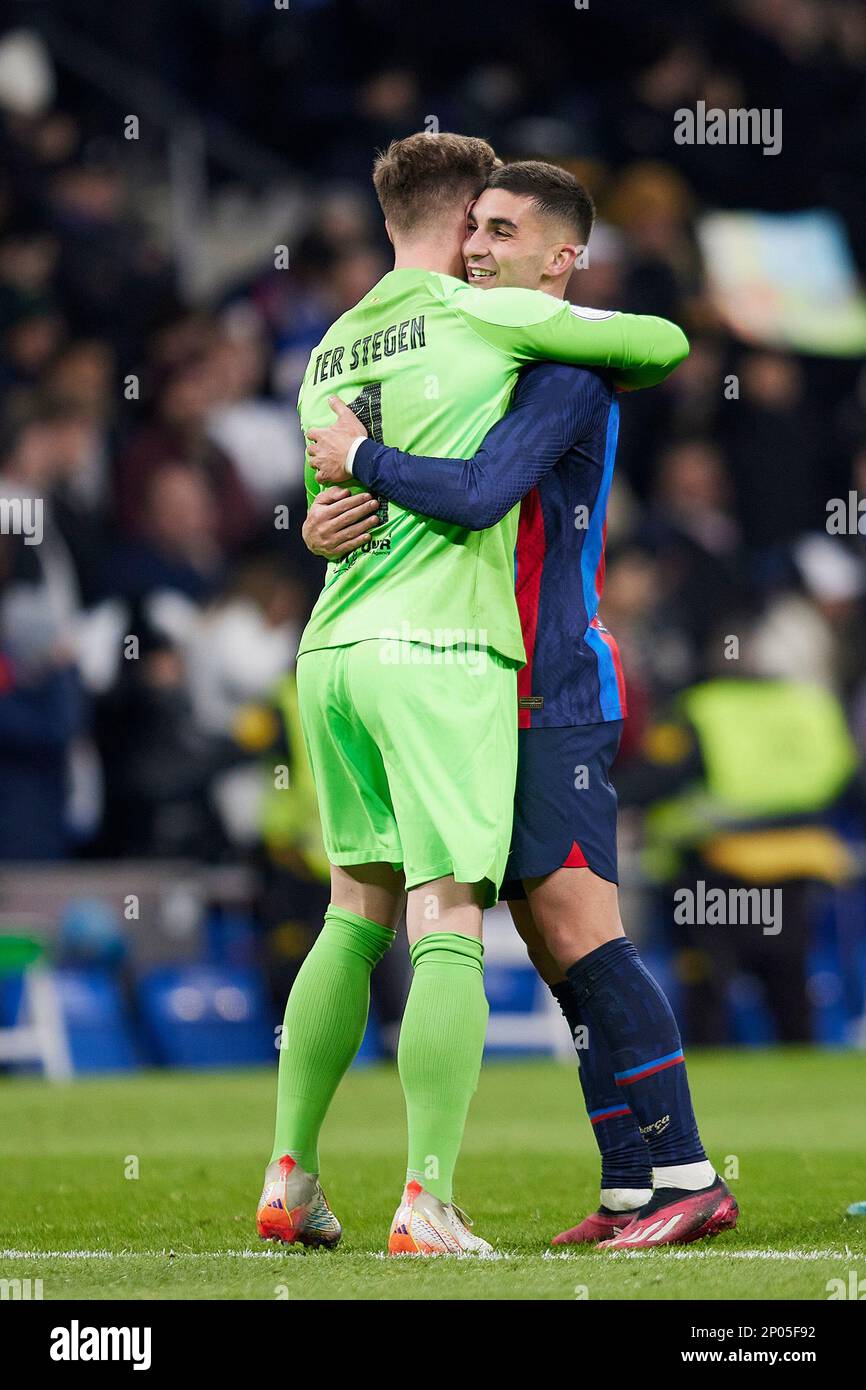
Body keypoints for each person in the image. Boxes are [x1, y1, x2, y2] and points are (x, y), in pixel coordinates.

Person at [256, 132, 689, 1256]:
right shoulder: (480, 316)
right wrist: (574, 308)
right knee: (451, 915)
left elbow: (333, 505)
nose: (488, 248)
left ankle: (290, 1171)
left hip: (331, 651)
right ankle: (428, 1196)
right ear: (459, 229)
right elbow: (663, 338)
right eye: (483, 228)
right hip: (443, 652)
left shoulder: (327, 349)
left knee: (354, 912)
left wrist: (323, 510)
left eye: (513, 232)